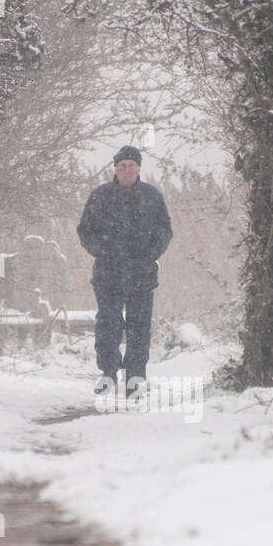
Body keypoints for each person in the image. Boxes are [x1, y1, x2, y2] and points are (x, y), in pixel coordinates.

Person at [77, 145, 173, 397]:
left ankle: (135, 378)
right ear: (115, 169)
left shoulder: (152, 197)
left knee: (139, 326)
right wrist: (104, 251)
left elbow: (164, 231)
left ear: (139, 168)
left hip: (142, 274)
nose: (126, 170)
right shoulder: (100, 196)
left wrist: (148, 255)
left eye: (131, 166)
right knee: (108, 323)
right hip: (107, 274)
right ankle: (108, 373)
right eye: (122, 166)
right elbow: (85, 231)